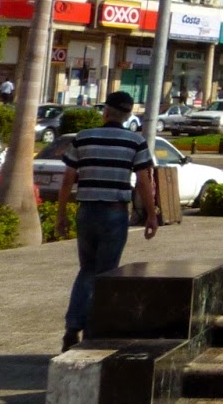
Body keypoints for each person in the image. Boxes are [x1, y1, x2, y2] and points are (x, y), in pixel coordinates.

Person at [55, 89, 157, 351]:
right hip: (114, 212)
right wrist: (151, 215)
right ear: (127, 115)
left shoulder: (83, 137)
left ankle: (71, 328)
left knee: (86, 270)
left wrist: (61, 214)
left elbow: (68, 179)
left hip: (86, 211)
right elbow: (144, 181)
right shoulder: (135, 141)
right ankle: (91, 330)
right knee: (106, 273)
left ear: (106, 111)